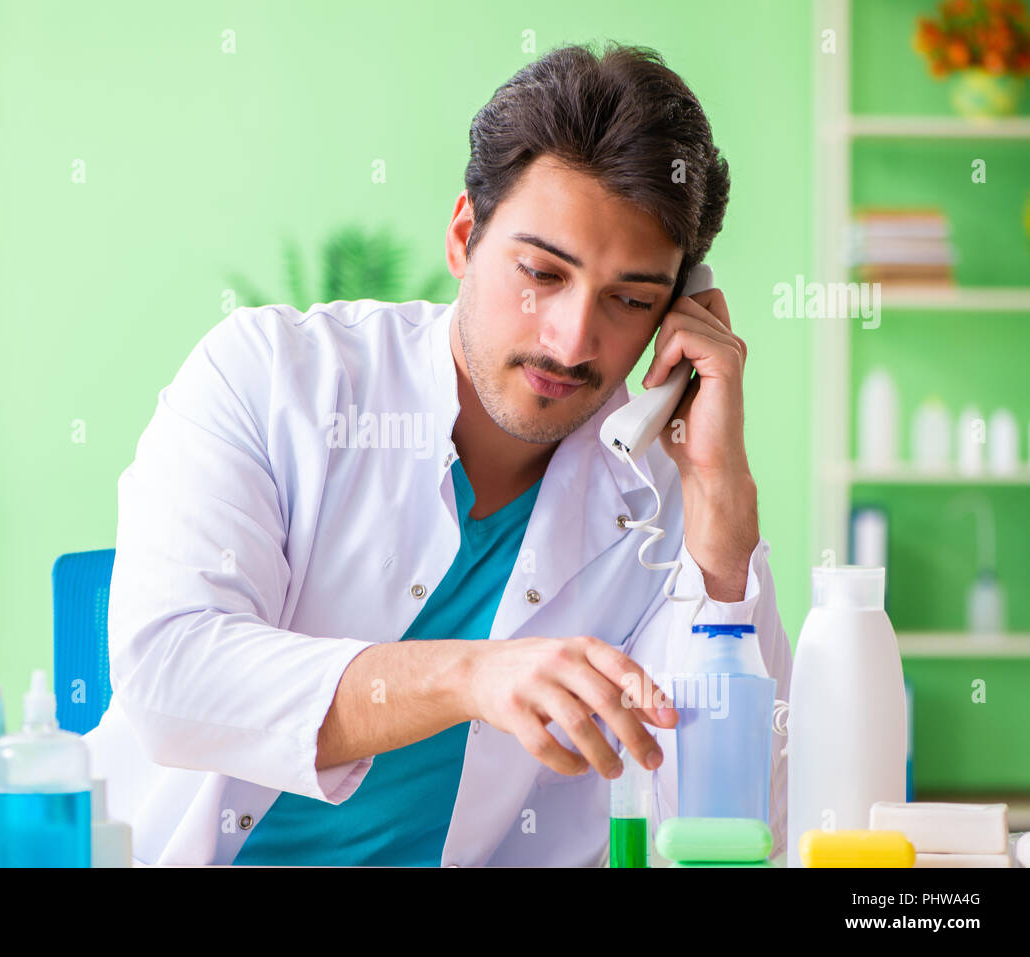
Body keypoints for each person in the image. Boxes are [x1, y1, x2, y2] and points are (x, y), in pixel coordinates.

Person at [83, 41, 792, 866]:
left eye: (629, 299)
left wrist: (721, 522)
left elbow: (738, 827)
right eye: (541, 273)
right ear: (464, 236)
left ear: (678, 313)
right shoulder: (270, 377)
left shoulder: (660, 497)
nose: (571, 338)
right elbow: (171, 678)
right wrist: (469, 677)